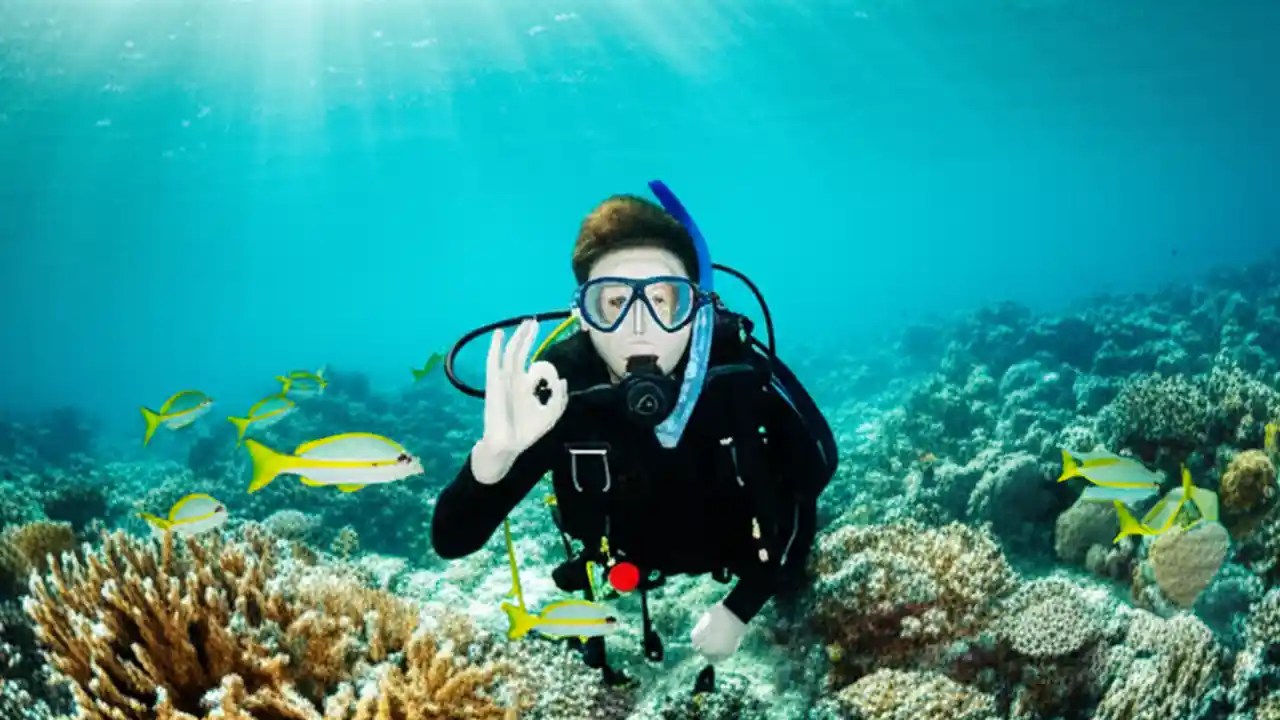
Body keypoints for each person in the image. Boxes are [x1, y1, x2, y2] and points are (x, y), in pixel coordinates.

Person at [430, 181, 836, 688]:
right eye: (613, 302)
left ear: (697, 309)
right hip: (622, 561)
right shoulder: (559, 390)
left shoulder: (733, 369)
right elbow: (451, 540)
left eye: (664, 301)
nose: (638, 328)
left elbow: (814, 470)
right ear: (583, 314)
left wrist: (743, 604)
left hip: (733, 556)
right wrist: (492, 460)